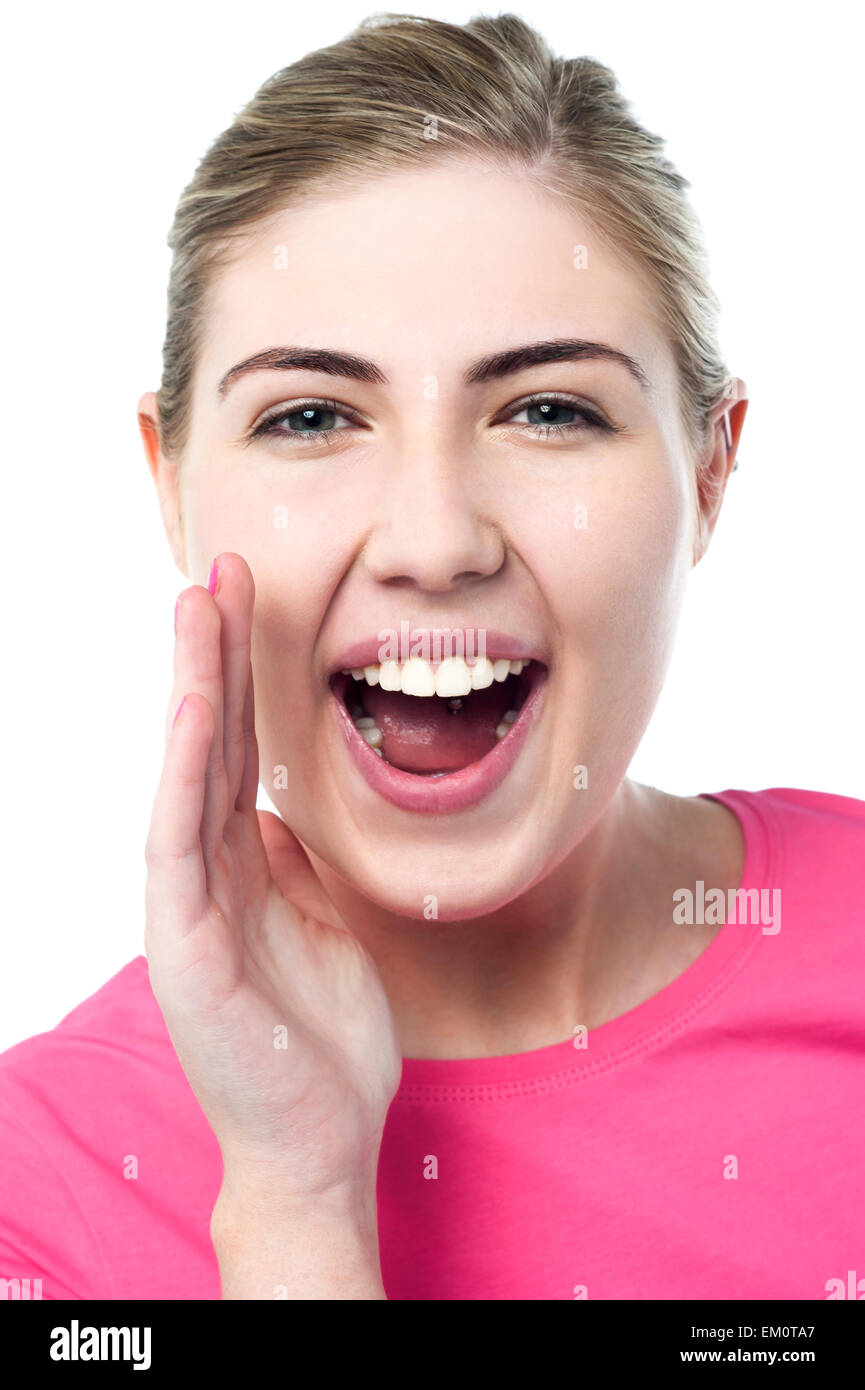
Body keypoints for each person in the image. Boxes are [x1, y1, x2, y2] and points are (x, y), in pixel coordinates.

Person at [1, 11, 862, 1302]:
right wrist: (296, 1201)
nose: (433, 539)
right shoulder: (37, 1189)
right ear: (170, 484)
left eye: (548, 409)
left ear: (713, 466)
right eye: (309, 415)